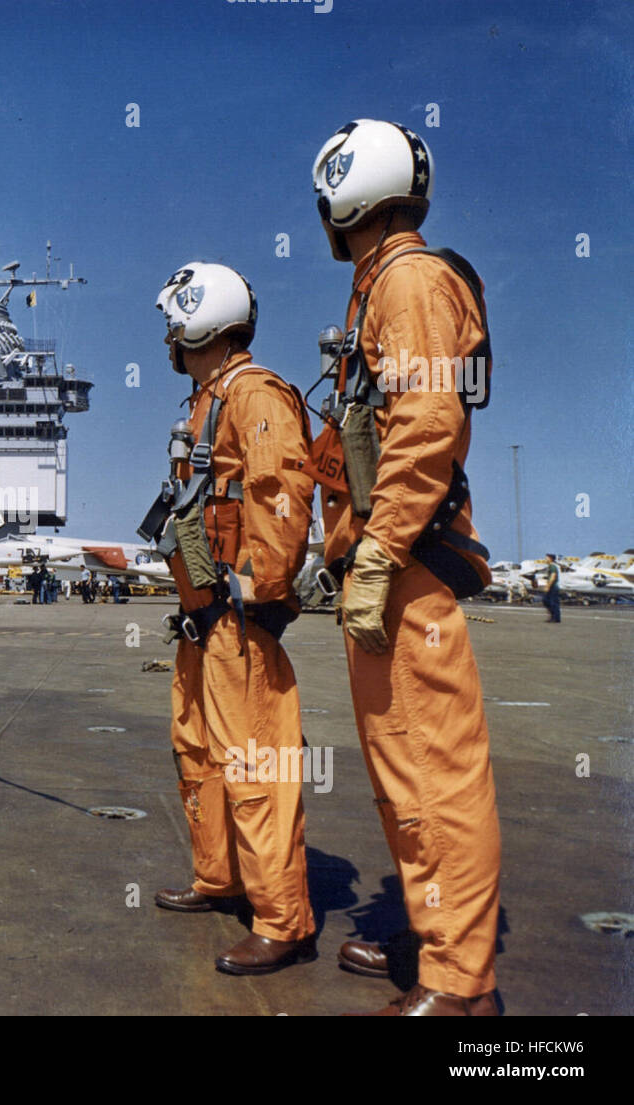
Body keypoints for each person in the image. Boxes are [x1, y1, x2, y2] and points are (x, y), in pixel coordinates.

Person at [310, 119, 501, 1015]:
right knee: (402, 772)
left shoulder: (411, 283)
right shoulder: (378, 288)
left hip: (406, 562)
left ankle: (461, 985)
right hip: (381, 561)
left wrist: (380, 549)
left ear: (345, 195)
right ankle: (433, 930)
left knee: (434, 773)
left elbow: (427, 421)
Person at [147, 260, 317, 975]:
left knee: (253, 763)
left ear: (201, 321)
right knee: (197, 751)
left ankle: (282, 918)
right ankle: (219, 875)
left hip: (236, 619)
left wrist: (263, 589)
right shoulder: (206, 401)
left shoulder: (255, 394)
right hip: (201, 617)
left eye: (174, 323)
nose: (168, 339)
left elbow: (280, 489)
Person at [542, 553, 561, 622]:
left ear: (550, 559)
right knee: (547, 601)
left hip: (553, 587)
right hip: (552, 586)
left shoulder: (553, 566)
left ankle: (555, 618)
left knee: (553, 602)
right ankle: (553, 617)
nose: (545, 559)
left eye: (546, 558)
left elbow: (553, 577)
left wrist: (548, 586)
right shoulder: (550, 566)